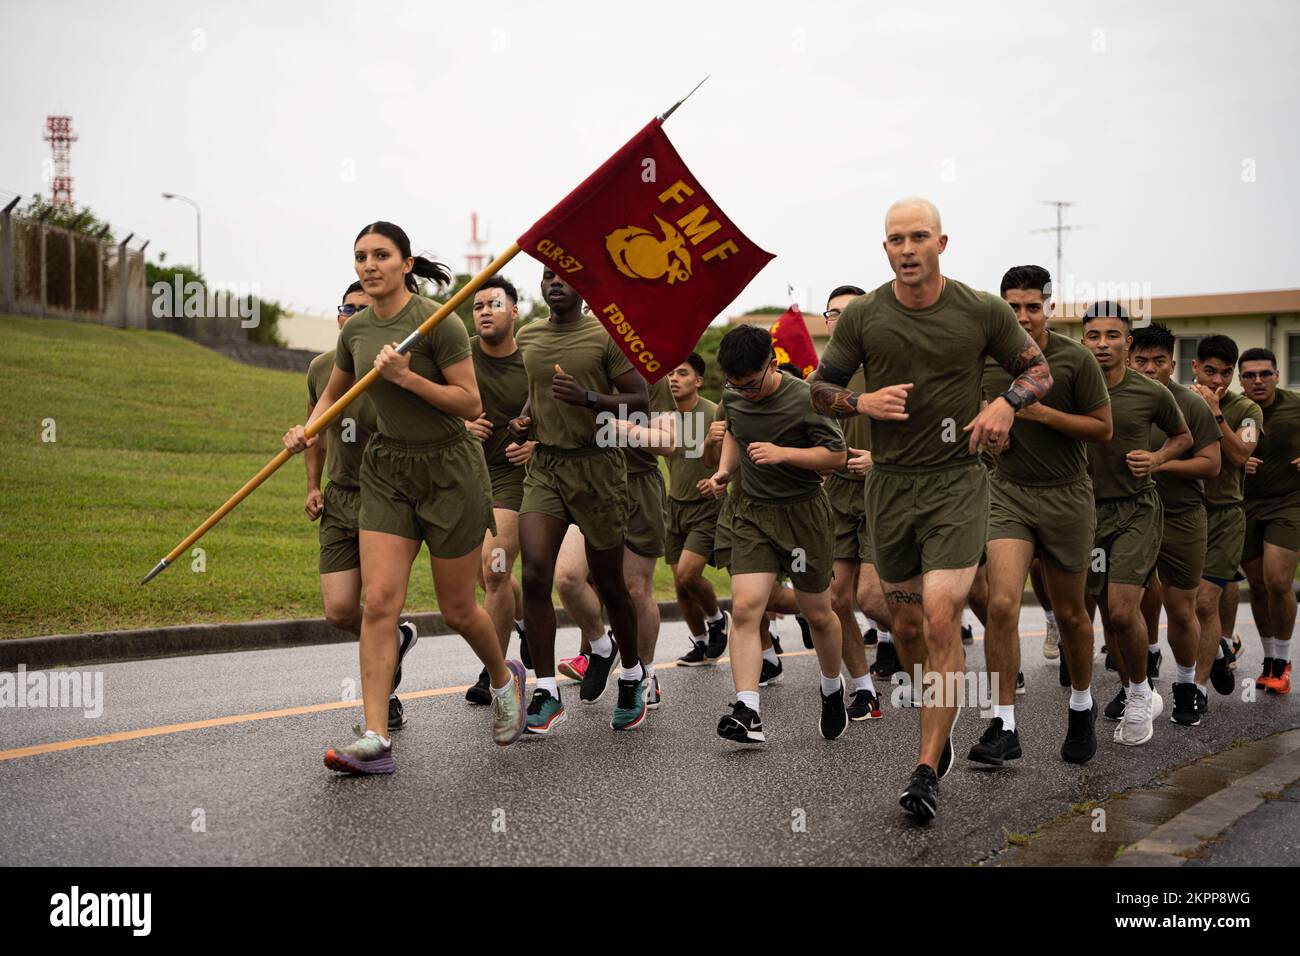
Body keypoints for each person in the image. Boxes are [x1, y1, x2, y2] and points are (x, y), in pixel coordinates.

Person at [810, 198, 1053, 821]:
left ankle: (923, 768)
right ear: (885, 249)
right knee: (909, 626)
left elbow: (1037, 372)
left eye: (919, 236)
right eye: (896, 239)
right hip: (890, 487)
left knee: (943, 616)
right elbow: (820, 390)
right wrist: (860, 406)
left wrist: (1006, 404)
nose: (908, 248)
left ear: (942, 243)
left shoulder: (981, 309)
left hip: (955, 483)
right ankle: (936, 726)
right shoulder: (863, 315)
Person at [284, 222, 526, 773]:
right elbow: (332, 394)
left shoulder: (439, 323)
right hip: (388, 471)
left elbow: (470, 404)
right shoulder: (356, 329)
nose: (369, 266)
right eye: (361, 257)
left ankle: (502, 677)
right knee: (378, 604)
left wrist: (406, 376)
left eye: (381, 256)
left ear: (406, 263)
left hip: (449, 471)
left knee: (459, 608)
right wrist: (309, 429)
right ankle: (374, 737)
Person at [968, 265, 1112, 767]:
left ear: (1048, 306)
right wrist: (991, 430)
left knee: (1071, 612)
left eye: (1033, 307)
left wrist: (1039, 413)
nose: (1023, 317)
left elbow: (1102, 428)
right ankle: (1003, 724)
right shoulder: (986, 362)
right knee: (1002, 604)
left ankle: (1080, 705)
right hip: (1007, 492)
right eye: (1013, 308)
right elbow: (973, 414)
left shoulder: (1073, 359)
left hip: (1067, 496)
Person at [511, 267, 650, 733]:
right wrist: (524, 421)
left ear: (584, 286)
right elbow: (536, 392)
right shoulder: (528, 335)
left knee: (612, 584)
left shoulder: (606, 336)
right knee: (533, 572)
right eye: (547, 275)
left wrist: (588, 397)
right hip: (546, 466)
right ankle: (547, 691)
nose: (555, 282)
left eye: (565, 276)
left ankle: (631, 675)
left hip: (598, 468)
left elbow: (639, 398)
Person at [704, 325, 848, 744]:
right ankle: (748, 710)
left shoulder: (807, 397)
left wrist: (783, 453)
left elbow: (836, 455)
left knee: (818, 613)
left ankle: (832, 687)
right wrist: (725, 471)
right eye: (734, 385)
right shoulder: (733, 394)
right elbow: (734, 429)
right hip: (750, 513)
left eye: (750, 385)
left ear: (772, 363)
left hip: (802, 515)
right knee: (747, 608)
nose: (742, 392)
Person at [305, 281, 421, 732]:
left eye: (361, 309)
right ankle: (397, 638)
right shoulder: (320, 368)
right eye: (344, 309)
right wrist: (313, 486)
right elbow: (316, 428)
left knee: (376, 605)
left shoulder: (389, 367)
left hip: (385, 496)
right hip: (339, 496)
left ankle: (384, 701)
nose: (350, 316)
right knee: (338, 611)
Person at [1079, 302, 1191, 747]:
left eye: (1113, 335)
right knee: (1108, 615)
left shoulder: (1150, 392)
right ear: (1083, 340)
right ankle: (1130, 686)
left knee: (1124, 609)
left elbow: (1183, 436)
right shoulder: (1070, 388)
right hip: (1085, 513)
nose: (1103, 344)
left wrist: (1158, 458)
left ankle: (1142, 693)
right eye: (1094, 336)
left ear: (1128, 341)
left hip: (1136, 510)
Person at [1128, 323, 1222, 726]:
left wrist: (1160, 460)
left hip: (1182, 515)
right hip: (1129, 515)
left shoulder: (1191, 404)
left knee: (1181, 608)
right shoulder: (1112, 400)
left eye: (1159, 361)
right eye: (1141, 361)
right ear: (1129, 360)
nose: (1150, 369)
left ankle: (1186, 685)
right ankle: (1135, 688)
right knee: (1124, 608)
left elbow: (1212, 464)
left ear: (1173, 364)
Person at [463, 276, 536, 704]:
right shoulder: (459, 353)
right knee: (483, 575)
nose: (485, 311)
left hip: (513, 476)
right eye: (477, 306)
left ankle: (494, 673)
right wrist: (460, 425)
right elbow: (431, 402)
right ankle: (522, 621)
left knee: (495, 568)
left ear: (514, 311)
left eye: (494, 304)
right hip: (467, 475)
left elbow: (560, 410)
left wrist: (537, 444)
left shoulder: (533, 358)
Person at [820, 285, 885, 721]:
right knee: (836, 599)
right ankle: (865, 692)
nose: (840, 319)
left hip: (885, 490)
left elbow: (929, 429)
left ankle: (931, 663)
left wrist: (879, 460)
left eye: (850, 311)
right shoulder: (821, 378)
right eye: (832, 312)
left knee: (875, 600)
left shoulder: (887, 367)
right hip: (836, 495)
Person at [1189, 335, 1260, 705]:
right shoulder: (1179, 401)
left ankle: (1196, 689)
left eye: (1225, 374)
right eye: (1210, 372)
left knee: (1205, 600)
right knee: (1183, 604)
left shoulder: (1247, 409)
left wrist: (1216, 412)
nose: (1217, 381)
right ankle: (1217, 649)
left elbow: (1239, 455)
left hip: (1226, 516)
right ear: (1195, 368)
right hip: (1184, 513)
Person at [665, 354, 732, 666]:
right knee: (680, 583)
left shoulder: (713, 412)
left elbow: (728, 457)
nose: (673, 379)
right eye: (670, 374)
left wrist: (717, 479)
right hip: (674, 506)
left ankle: (718, 618)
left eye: (682, 373)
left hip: (707, 508)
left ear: (699, 381)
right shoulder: (664, 416)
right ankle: (701, 642)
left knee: (689, 575)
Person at [1240, 348, 1298, 695]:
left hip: (1290, 502)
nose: (1258, 380)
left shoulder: (1294, 404)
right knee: (1258, 586)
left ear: (1277, 374)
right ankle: (1269, 658)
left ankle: (1284, 660)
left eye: (1265, 373)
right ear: (1240, 379)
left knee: (1277, 581)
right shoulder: (1234, 409)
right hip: (1245, 504)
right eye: (1249, 375)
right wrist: (1236, 461)